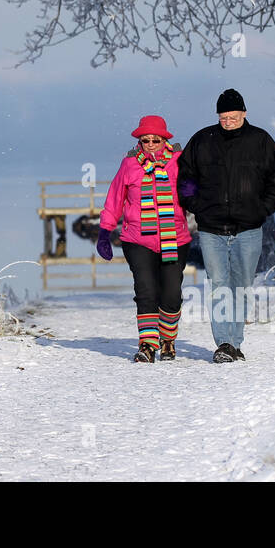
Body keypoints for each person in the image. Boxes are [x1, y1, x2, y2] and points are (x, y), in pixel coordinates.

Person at [176, 89, 275, 363]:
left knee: (240, 286)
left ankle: (235, 343)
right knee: (218, 286)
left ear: (244, 114)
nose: (227, 121)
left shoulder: (260, 141)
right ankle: (224, 343)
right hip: (212, 228)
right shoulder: (203, 140)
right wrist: (195, 204)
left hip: (248, 229)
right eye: (223, 117)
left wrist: (261, 210)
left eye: (233, 117)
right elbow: (185, 176)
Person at [96, 115, 193, 363]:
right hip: (137, 239)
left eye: (155, 140)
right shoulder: (129, 164)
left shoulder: (180, 162)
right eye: (145, 140)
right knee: (146, 290)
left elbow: (195, 189)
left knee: (172, 294)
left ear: (164, 140)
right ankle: (148, 345)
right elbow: (115, 198)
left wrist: (193, 190)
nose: (150, 144)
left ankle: (168, 339)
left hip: (175, 238)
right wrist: (104, 232)